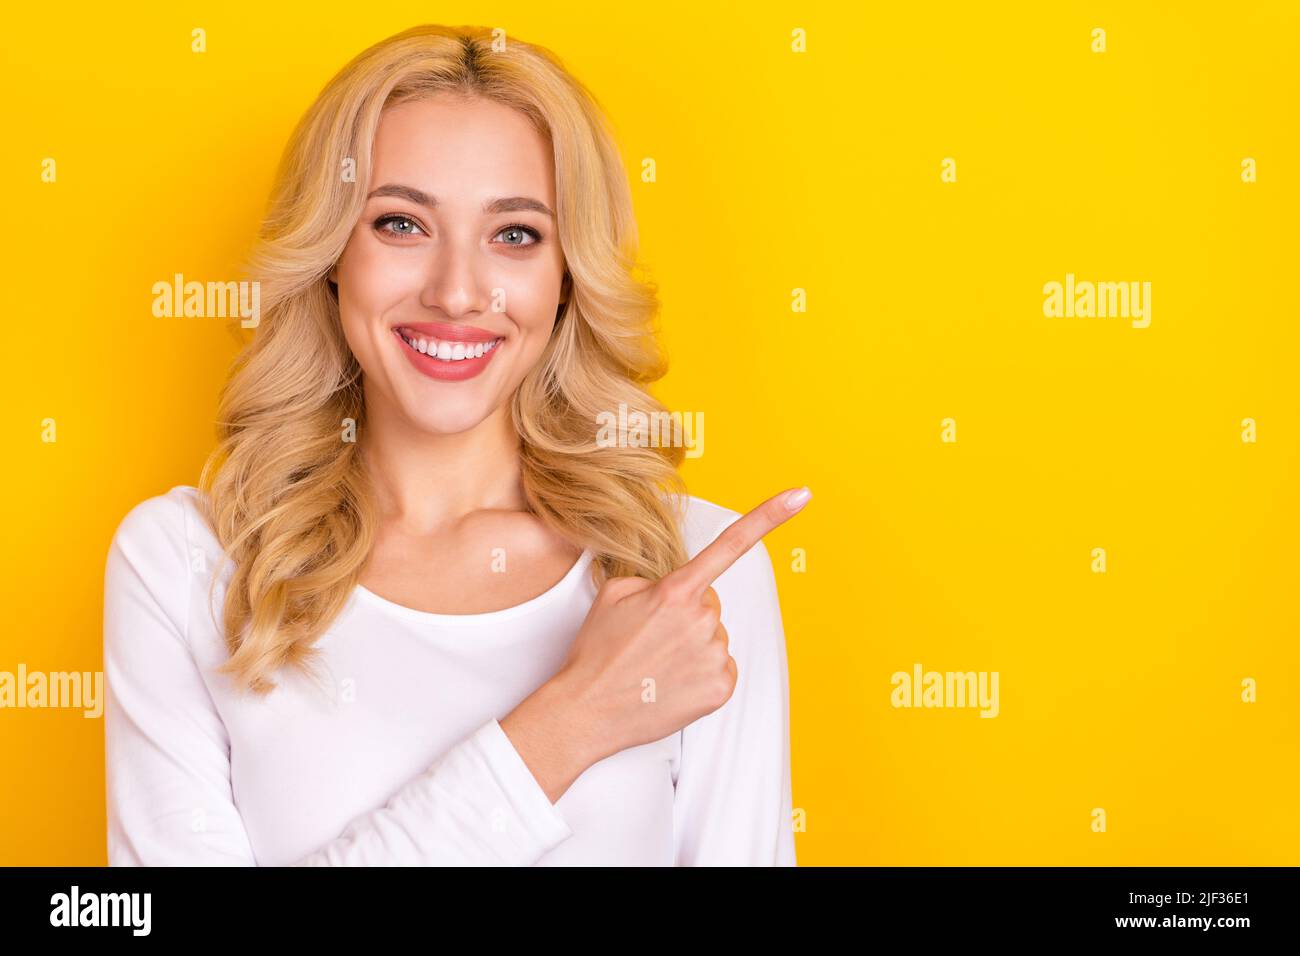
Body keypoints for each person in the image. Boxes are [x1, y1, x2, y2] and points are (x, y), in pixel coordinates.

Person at [103, 24, 809, 866]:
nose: (457, 292)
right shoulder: (186, 564)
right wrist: (571, 721)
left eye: (515, 235)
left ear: (566, 278)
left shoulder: (685, 570)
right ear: (333, 256)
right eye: (401, 224)